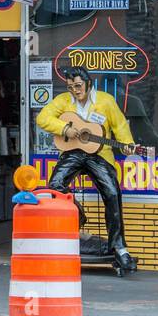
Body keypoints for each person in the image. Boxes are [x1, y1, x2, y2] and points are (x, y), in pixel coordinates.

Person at [35, 66, 137, 272]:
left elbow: (120, 126)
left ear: (88, 84)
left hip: (99, 154)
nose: (75, 90)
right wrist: (65, 129)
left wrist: (128, 143)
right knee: (55, 186)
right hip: (73, 152)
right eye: (71, 86)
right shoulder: (62, 101)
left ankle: (119, 246)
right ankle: (78, 215)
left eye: (78, 85)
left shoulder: (106, 101)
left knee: (112, 193)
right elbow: (42, 118)